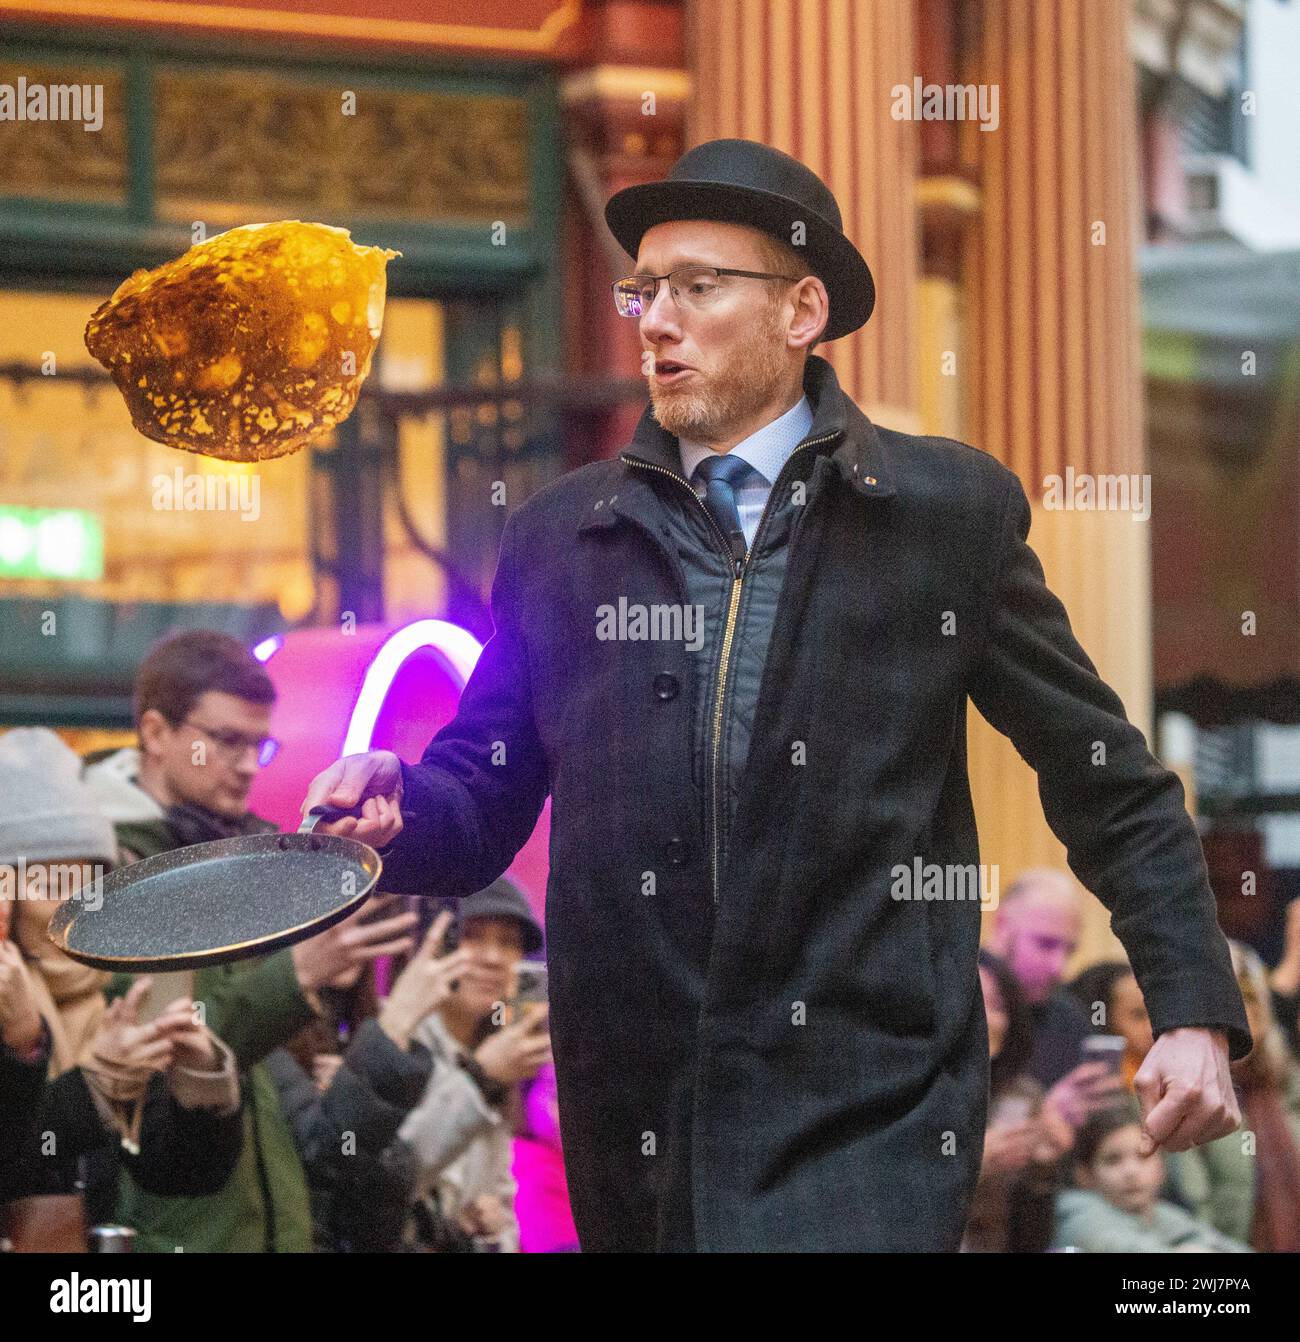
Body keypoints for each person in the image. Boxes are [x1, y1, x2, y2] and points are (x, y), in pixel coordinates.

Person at [301, 138, 1251, 1252]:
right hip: (641, 1109)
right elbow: (483, 793)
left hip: (868, 1107)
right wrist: (398, 808)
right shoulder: (561, 537)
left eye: (698, 286)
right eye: (643, 288)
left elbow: (1107, 779)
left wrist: (1187, 1006)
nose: (654, 318)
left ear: (803, 311)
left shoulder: (942, 514)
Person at [83, 629, 418, 1251]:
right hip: (167, 1226)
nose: (245, 766)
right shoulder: (102, 862)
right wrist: (298, 973)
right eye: (227, 740)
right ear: (156, 734)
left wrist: (350, 875)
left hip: (273, 1216)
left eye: (259, 745)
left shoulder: (255, 852)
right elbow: (171, 1047)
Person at [266, 910, 471, 1252]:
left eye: (355, 911)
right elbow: (323, 1160)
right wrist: (395, 1028)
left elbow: (376, 1206)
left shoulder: (351, 1029)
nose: (346, 927)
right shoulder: (263, 1041)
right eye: (326, 910)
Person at [396, 880, 550, 1253]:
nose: (494, 957)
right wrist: (480, 1079)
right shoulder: (393, 1040)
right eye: (473, 936)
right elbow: (388, 1178)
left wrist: (497, 1232)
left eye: (508, 942)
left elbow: (503, 1206)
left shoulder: (500, 1053)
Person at [961, 950, 1072, 1252]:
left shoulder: (1022, 1095)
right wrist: (970, 1166)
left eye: (995, 1004)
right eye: (969, 1001)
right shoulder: (906, 1091)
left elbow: (1031, 1232)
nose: (981, 1017)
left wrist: (1044, 1169)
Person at [1051, 1099, 1251, 1253]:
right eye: (1113, 1160)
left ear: (1162, 1167)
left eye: (1143, 1156)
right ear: (1084, 1175)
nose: (1131, 1172)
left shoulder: (1163, 1214)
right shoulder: (1078, 1217)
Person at [987, 870, 1093, 1088]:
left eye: (1070, 950)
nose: (1059, 967)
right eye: (1045, 944)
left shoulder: (1071, 1020)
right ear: (1001, 926)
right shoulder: (950, 1002)